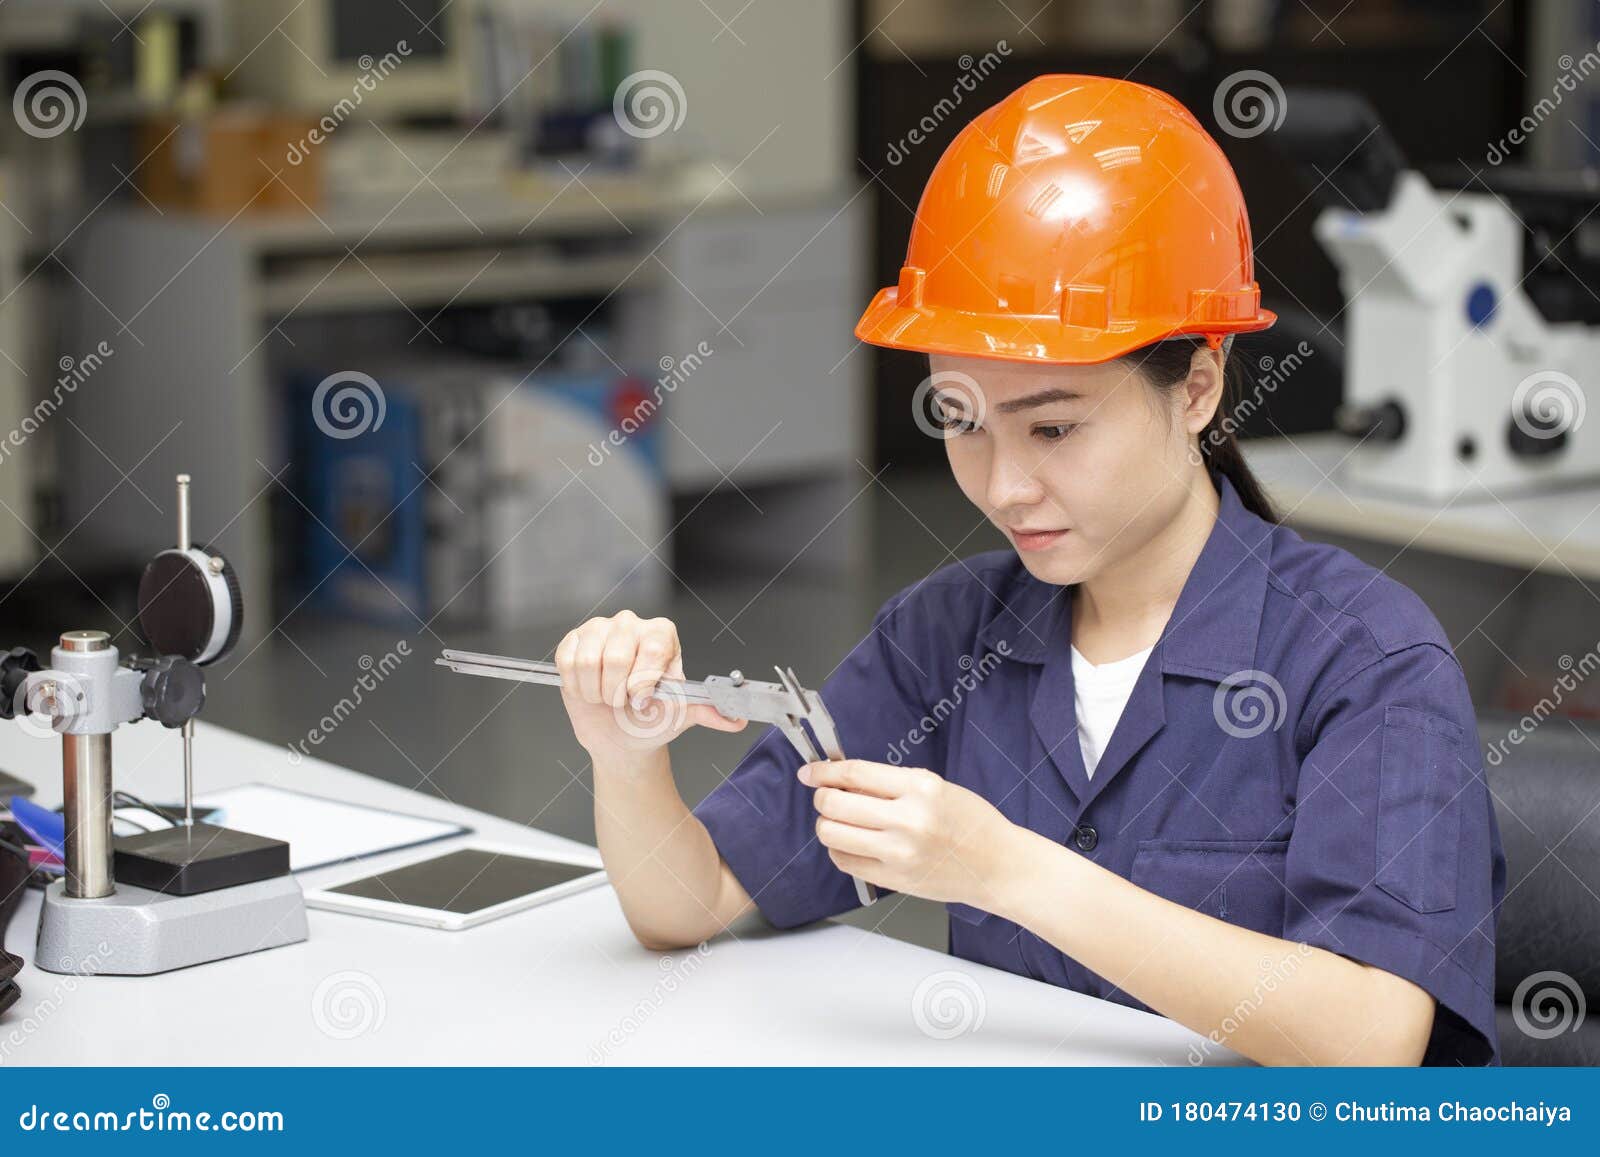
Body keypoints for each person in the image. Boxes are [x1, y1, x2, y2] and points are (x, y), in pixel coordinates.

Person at [553, 75, 1504, 1066]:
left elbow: (1370, 1036)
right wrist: (625, 757)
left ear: (1196, 387)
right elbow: (692, 897)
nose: (1004, 486)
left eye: (1052, 428)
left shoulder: (1365, 658)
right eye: (961, 421)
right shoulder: (945, 638)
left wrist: (1008, 870)